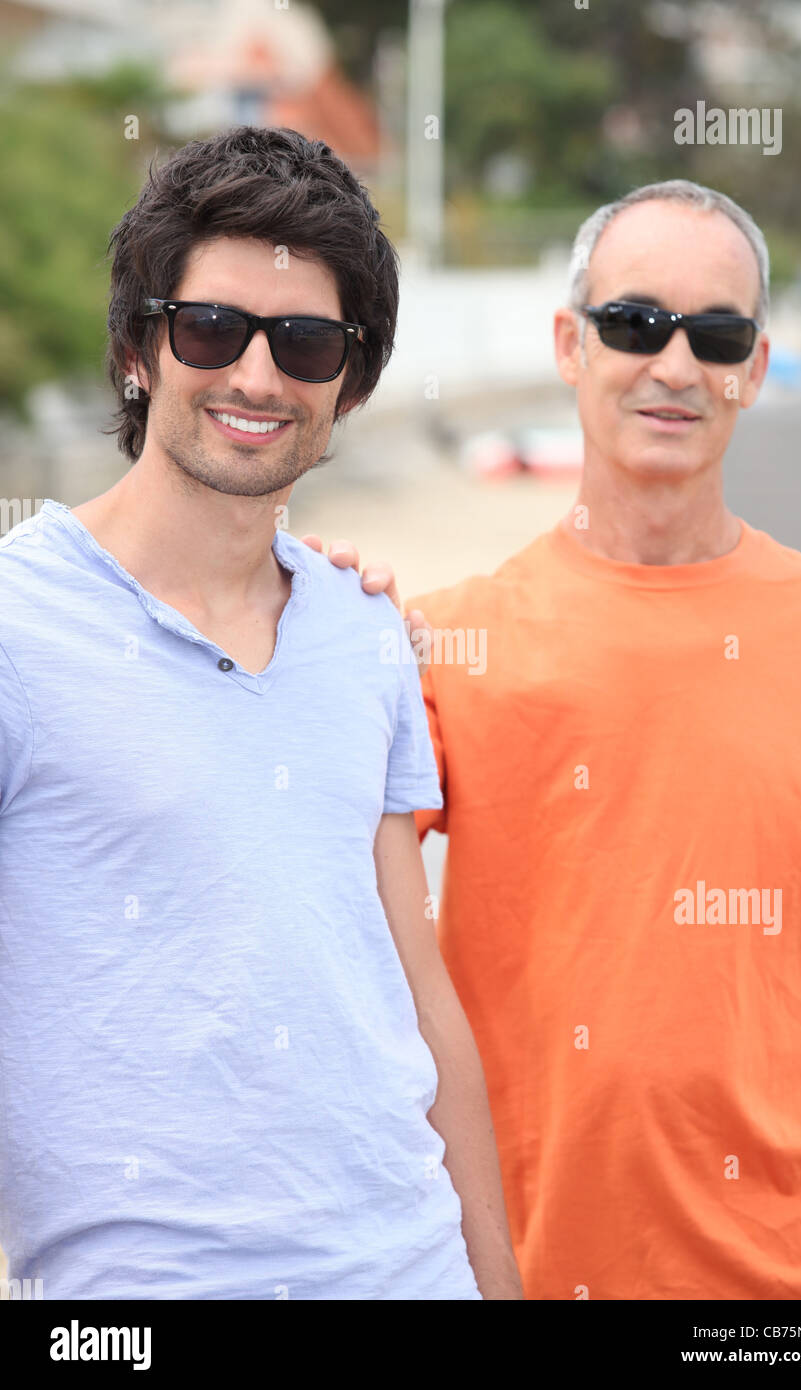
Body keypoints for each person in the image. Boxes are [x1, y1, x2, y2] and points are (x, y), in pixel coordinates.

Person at [307, 179, 801, 1300]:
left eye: (714, 334)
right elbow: (310, 911)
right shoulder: (446, 642)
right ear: (569, 344)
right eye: (632, 322)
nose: (671, 364)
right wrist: (302, 614)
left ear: (753, 369)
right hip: (533, 1268)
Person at [0, 125, 522, 1301]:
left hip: (410, 1266)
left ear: (349, 381)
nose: (253, 376)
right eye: (209, 329)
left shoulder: (366, 630)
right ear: (141, 348)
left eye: (303, 343)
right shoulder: (18, 629)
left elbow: (415, 989)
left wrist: (497, 1281)